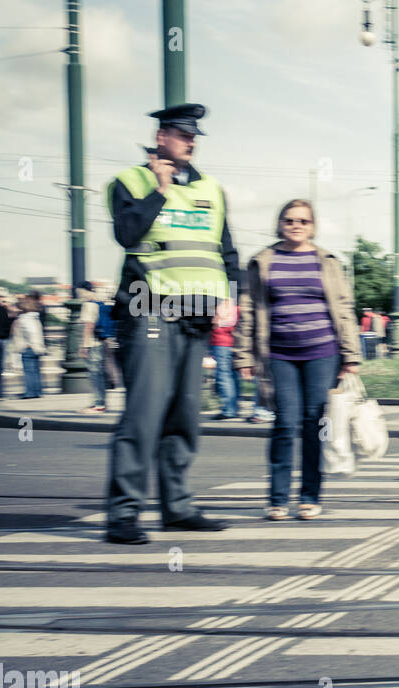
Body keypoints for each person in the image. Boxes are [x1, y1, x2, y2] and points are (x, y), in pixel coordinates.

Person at [104, 102, 239, 544]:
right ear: (161, 137)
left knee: (184, 416)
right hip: (149, 310)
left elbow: (227, 253)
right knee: (144, 415)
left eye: (195, 135)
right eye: (183, 134)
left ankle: (176, 507)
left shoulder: (212, 190)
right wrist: (160, 190)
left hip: (197, 316)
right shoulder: (131, 182)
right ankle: (124, 513)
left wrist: (230, 299)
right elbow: (127, 233)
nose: (191, 140)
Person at [237, 200, 361, 521]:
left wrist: (351, 356)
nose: (296, 225)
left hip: (323, 353)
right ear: (279, 224)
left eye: (303, 221)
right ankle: (277, 498)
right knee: (284, 423)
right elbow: (248, 310)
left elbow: (344, 310)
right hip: (279, 354)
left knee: (314, 424)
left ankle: (309, 495)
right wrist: (244, 356)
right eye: (290, 220)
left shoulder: (327, 261)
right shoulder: (263, 261)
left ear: (313, 227)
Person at [78, 283, 108, 413]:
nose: (79, 295)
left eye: (80, 292)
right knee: (99, 374)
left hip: (92, 344)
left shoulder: (88, 304)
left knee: (95, 375)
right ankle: (99, 402)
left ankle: (99, 404)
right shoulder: (99, 302)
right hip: (100, 342)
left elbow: (89, 326)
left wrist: (84, 345)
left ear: (85, 291)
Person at [10, 292, 47, 399]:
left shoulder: (25, 318)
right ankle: (37, 391)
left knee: (29, 372)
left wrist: (30, 345)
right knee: (35, 371)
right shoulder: (35, 317)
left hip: (29, 348)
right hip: (36, 347)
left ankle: (30, 392)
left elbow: (31, 332)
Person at [208, 301, 240, 420]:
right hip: (232, 342)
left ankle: (229, 409)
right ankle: (234, 407)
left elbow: (217, 323)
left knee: (223, 375)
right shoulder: (234, 303)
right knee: (232, 375)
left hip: (222, 342)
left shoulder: (224, 302)